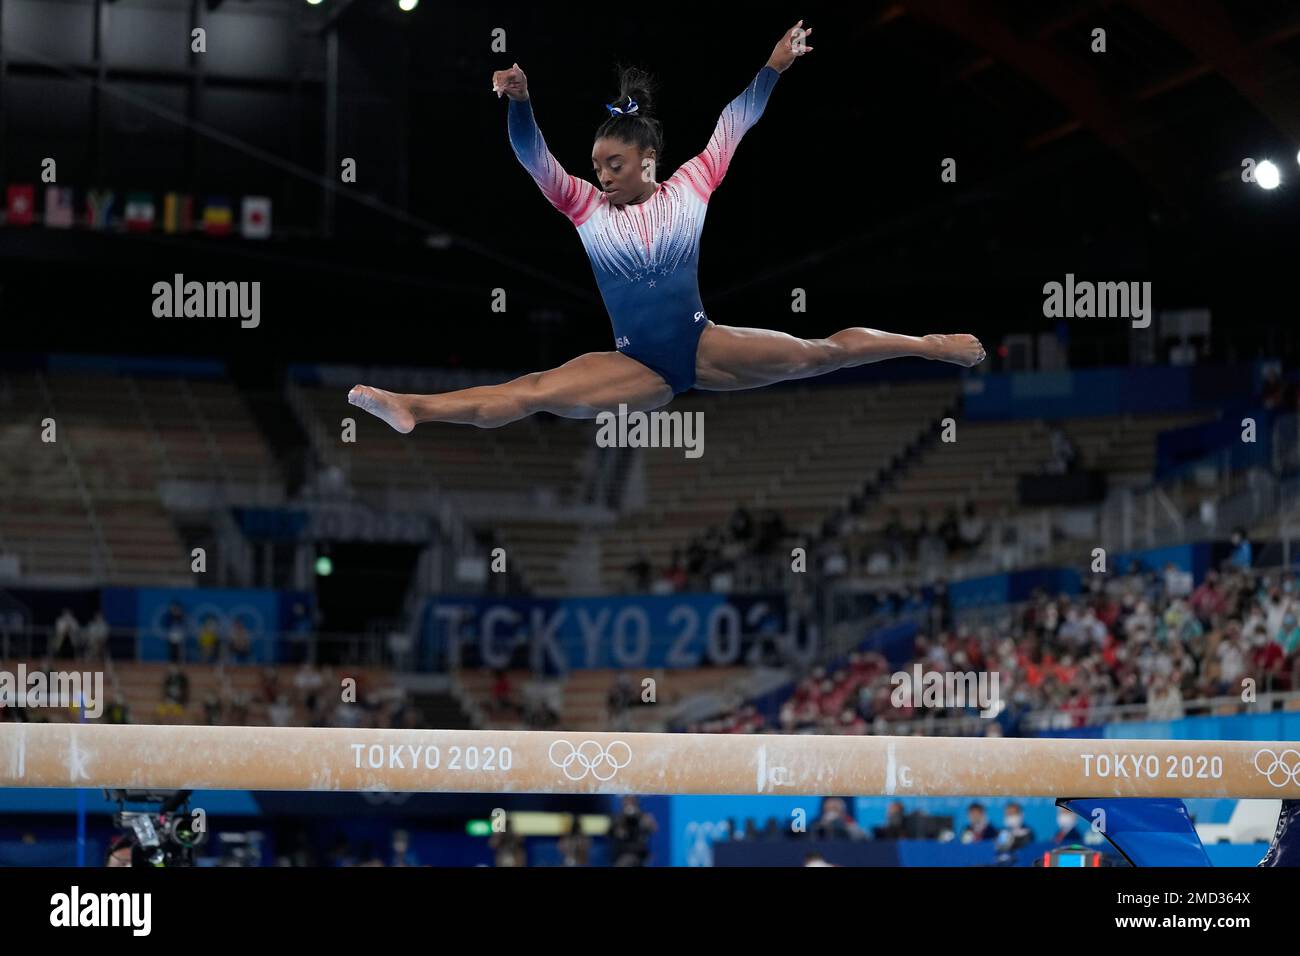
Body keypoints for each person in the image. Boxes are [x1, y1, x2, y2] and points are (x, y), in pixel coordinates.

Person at [347, 22, 984, 434]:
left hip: (704, 345)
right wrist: (520, 102)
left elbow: (737, 120)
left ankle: (929, 345)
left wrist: (774, 68)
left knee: (820, 354)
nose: (601, 177)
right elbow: (531, 154)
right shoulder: (583, 208)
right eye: (597, 166)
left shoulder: (691, 185)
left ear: (647, 159)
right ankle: (414, 407)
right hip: (637, 366)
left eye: (614, 165)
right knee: (533, 391)